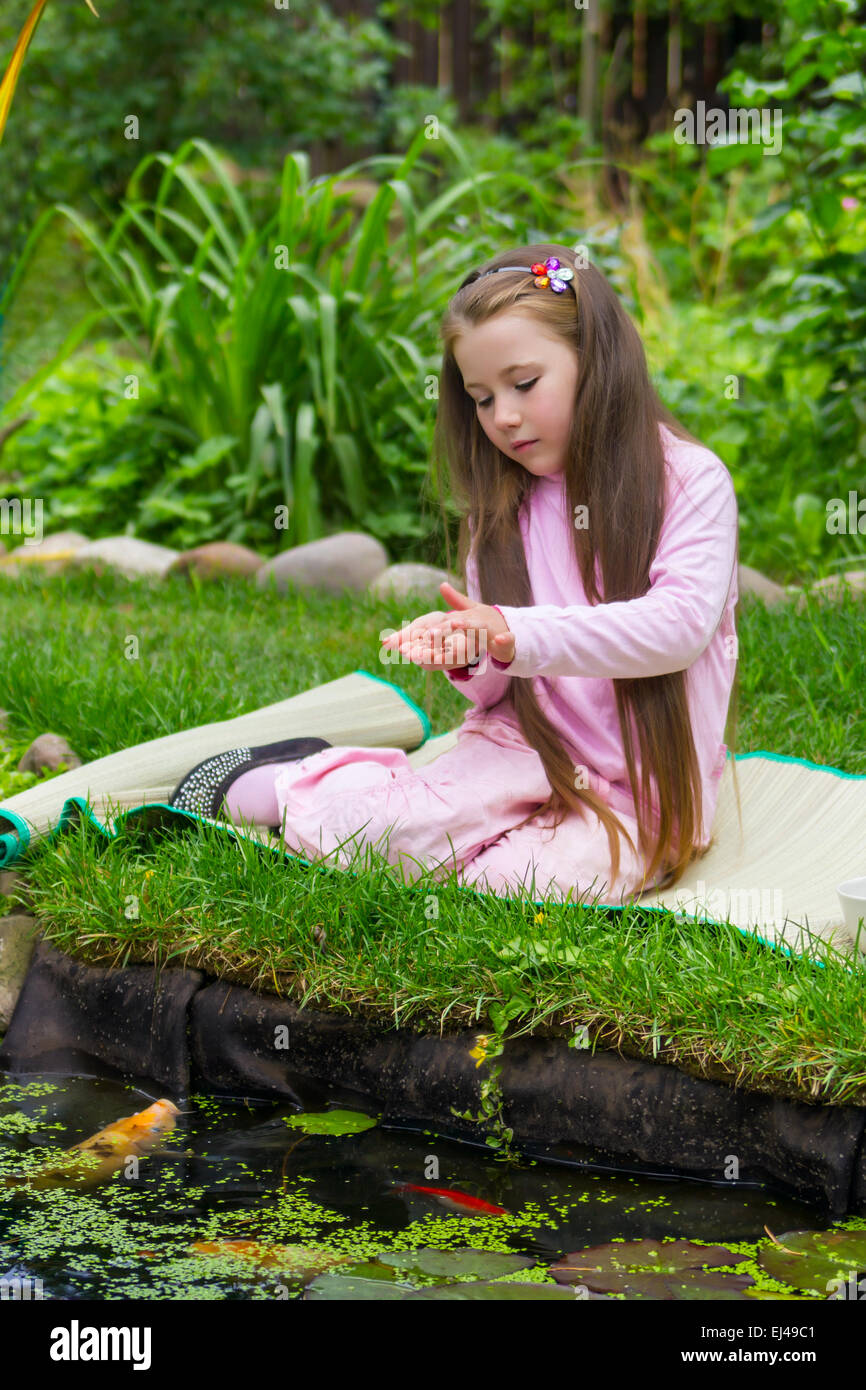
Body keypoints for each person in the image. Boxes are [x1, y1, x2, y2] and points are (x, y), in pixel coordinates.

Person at [170, 244, 741, 907]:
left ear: (598, 360)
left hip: (639, 786)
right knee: (371, 837)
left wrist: (509, 630)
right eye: (481, 397)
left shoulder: (690, 481)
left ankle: (461, 823)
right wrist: (473, 651)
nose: (502, 416)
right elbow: (499, 688)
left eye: (524, 384)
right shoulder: (507, 506)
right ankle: (308, 777)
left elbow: (676, 628)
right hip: (520, 750)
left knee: (513, 889)